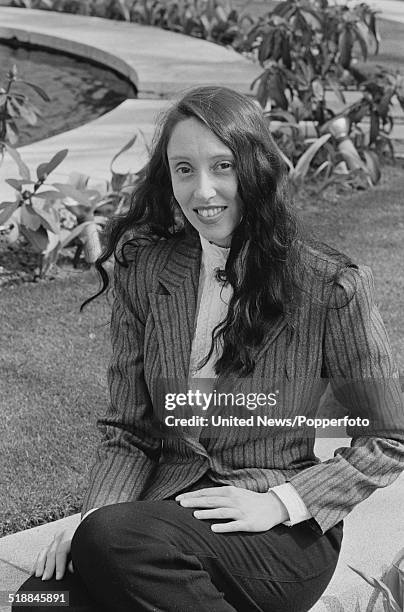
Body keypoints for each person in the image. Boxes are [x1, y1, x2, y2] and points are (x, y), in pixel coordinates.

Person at [14, 86, 404, 612]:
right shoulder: (148, 270)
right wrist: (93, 524)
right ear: (167, 178)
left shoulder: (328, 286)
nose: (204, 190)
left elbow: (389, 435)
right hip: (164, 520)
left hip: (279, 533)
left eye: (223, 165)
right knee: (43, 601)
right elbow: (129, 430)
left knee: (114, 543)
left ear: (255, 168)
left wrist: (282, 503)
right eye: (183, 169)